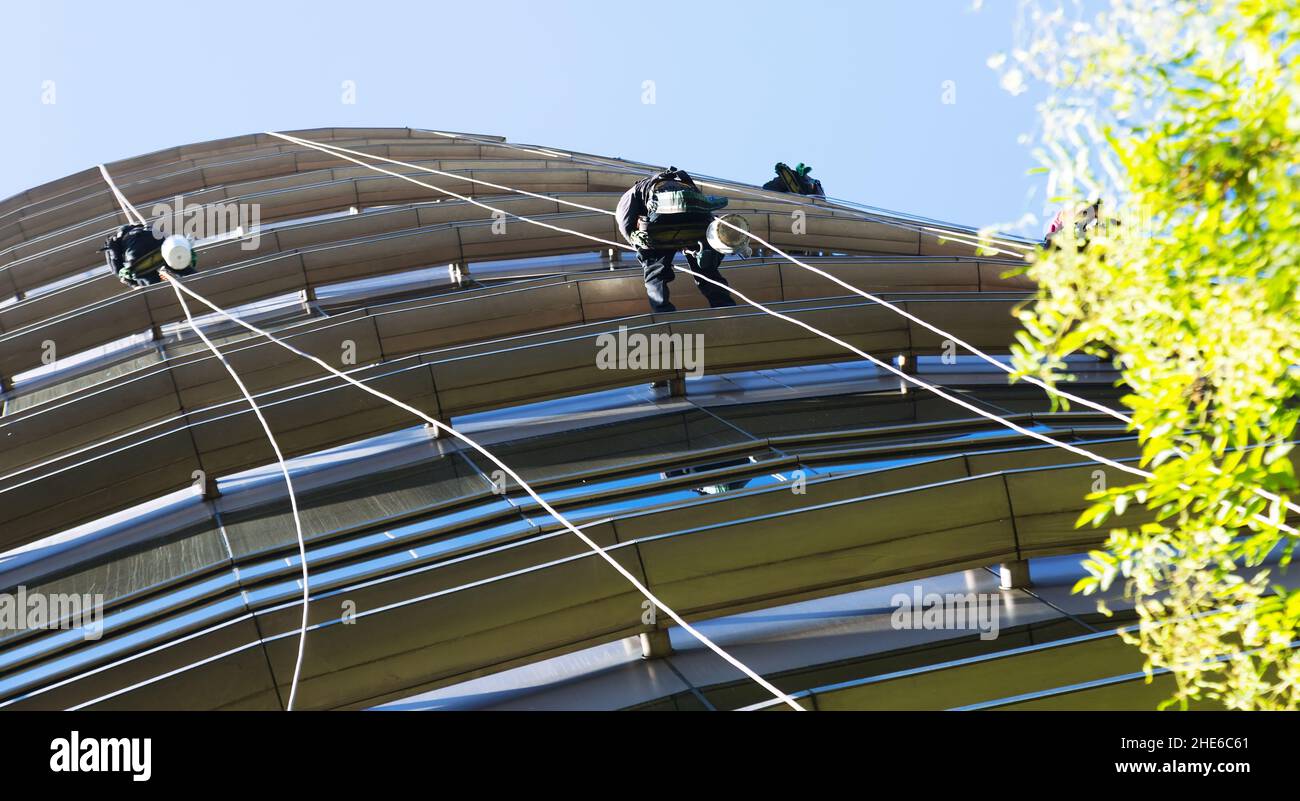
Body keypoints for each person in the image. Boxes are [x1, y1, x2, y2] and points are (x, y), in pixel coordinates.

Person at [615, 167, 737, 313]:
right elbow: (706, 215)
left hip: (662, 224)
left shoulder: (631, 195)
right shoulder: (684, 184)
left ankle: (663, 311)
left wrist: (637, 242)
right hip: (696, 223)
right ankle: (724, 305)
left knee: (655, 272)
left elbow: (625, 224)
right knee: (707, 270)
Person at [102, 223, 197, 288]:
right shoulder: (146, 228)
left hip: (138, 257)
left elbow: (116, 267)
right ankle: (199, 282)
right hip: (161, 248)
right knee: (180, 267)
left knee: (152, 286)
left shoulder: (114, 240)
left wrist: (133, 283)